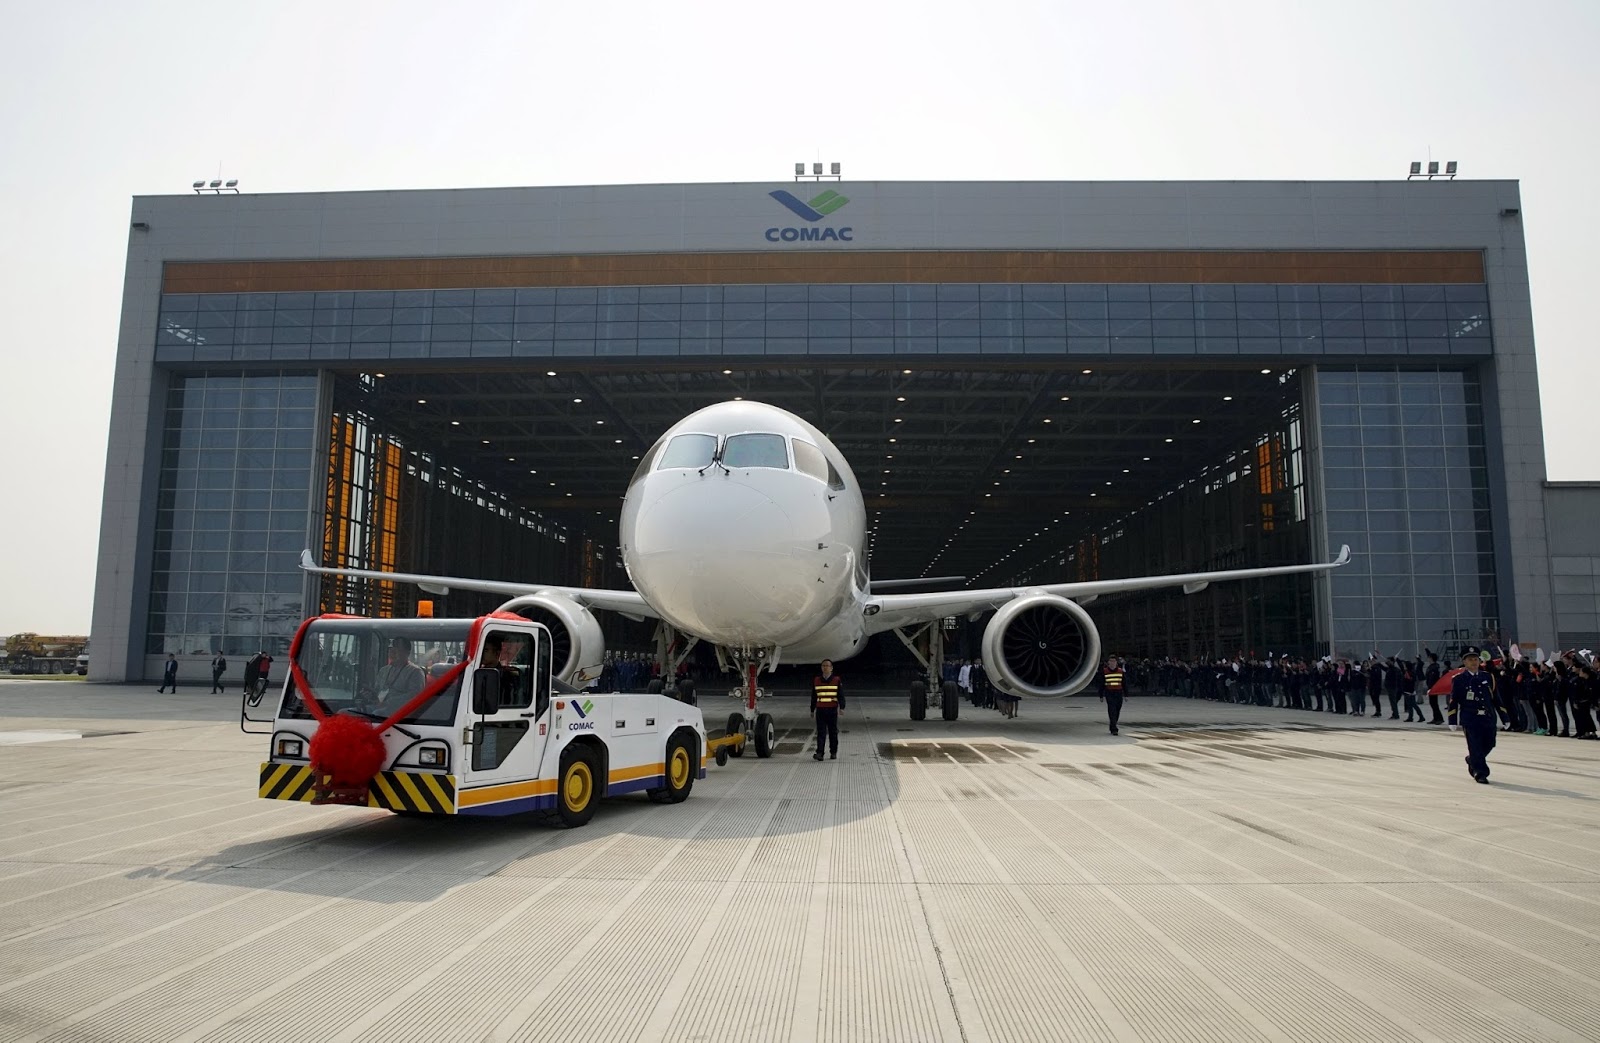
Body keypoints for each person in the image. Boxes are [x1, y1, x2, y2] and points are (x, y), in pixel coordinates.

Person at [1451, 646, 1498, 783]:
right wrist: (1452, 719)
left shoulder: (1488, 677)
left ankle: (1472, 759)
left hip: (1488, 717)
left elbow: (1495, 698)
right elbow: (1454, 700)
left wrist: (1505, 716)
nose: (1474, 662)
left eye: (1476, 659)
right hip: (1470, 718)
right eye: (1470, 659)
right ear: (1464, 662)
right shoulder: (1459, 679)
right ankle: (1480, 772)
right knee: (1475, 745)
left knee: (1490, 743)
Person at [375, 637, 426, 709]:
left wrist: (388, 702)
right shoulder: (384, 670)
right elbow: (377, 689)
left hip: (398, 712)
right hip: (377, 706)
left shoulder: (415, 672)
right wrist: (370, 695)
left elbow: (414, 696)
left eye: (397, 650)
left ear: (407, 653)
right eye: (390, 649)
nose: (392, 653)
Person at [810, 659, 843, 760]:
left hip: (832, 710)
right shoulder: (816, 680)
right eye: (823, 666)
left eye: (827, 666)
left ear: (831, 668)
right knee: (821, 732)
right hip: (820, 710)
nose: (825, 667)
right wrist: (812, 709)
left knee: (833, 732)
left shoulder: (836, 680)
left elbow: (841, 695)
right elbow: (814, 696)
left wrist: (842, 707)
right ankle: (820, 753)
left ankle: (833, 752)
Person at [1099, 655, 1127, 736]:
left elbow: (1124, 684)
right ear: (1108, 663)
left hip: (1118, 693)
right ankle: (1114, 729)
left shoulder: (1120, 671)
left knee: (1117, 710)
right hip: (1109, 693)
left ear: (1116, 662)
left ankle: (1112, 725)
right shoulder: (1104, 671)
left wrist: (1126, 695)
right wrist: (1101, 695)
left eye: (1114, 661)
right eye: (1111, 661)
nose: (1112, 663)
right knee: (1112, 711)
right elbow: (1101, 684)